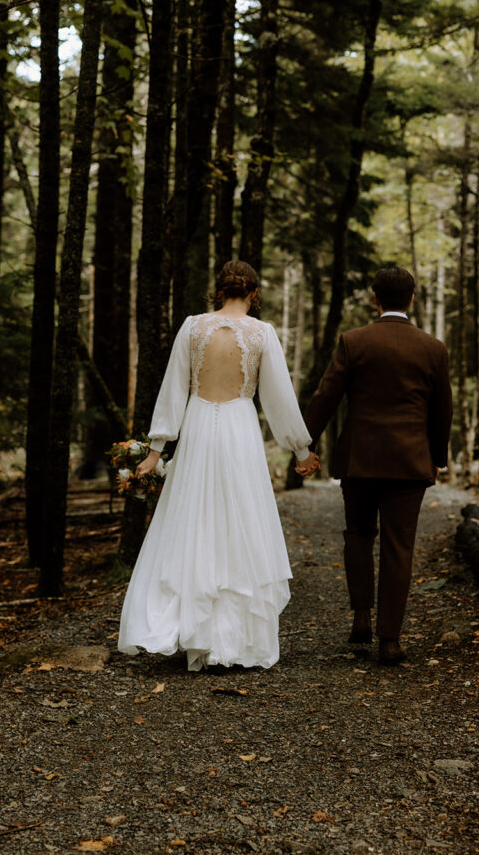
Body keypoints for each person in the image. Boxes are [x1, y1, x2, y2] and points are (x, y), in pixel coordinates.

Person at [118, 261, 319, 671]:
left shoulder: (193, 327)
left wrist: (156, 449)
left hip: (198, 430)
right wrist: (301, 451)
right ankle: (236, 638)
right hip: (239, 430)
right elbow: (279, 398)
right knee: (239, 521)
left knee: (190, 521)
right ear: (253, 293)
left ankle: (186, 627)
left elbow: (173, 388)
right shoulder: (262, 333)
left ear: (218, 290)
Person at [303, 266, 452, 666]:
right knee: (398, 548)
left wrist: (304, 442)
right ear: (412, 299)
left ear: (375, 298)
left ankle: (361, 617)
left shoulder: (354, 341)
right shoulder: (433, 348)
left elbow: (326, 395)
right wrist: (435, 458)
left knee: (358, 535)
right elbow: (442, 412)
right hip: (409, 461)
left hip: (360, 459)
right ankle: (390, 640)